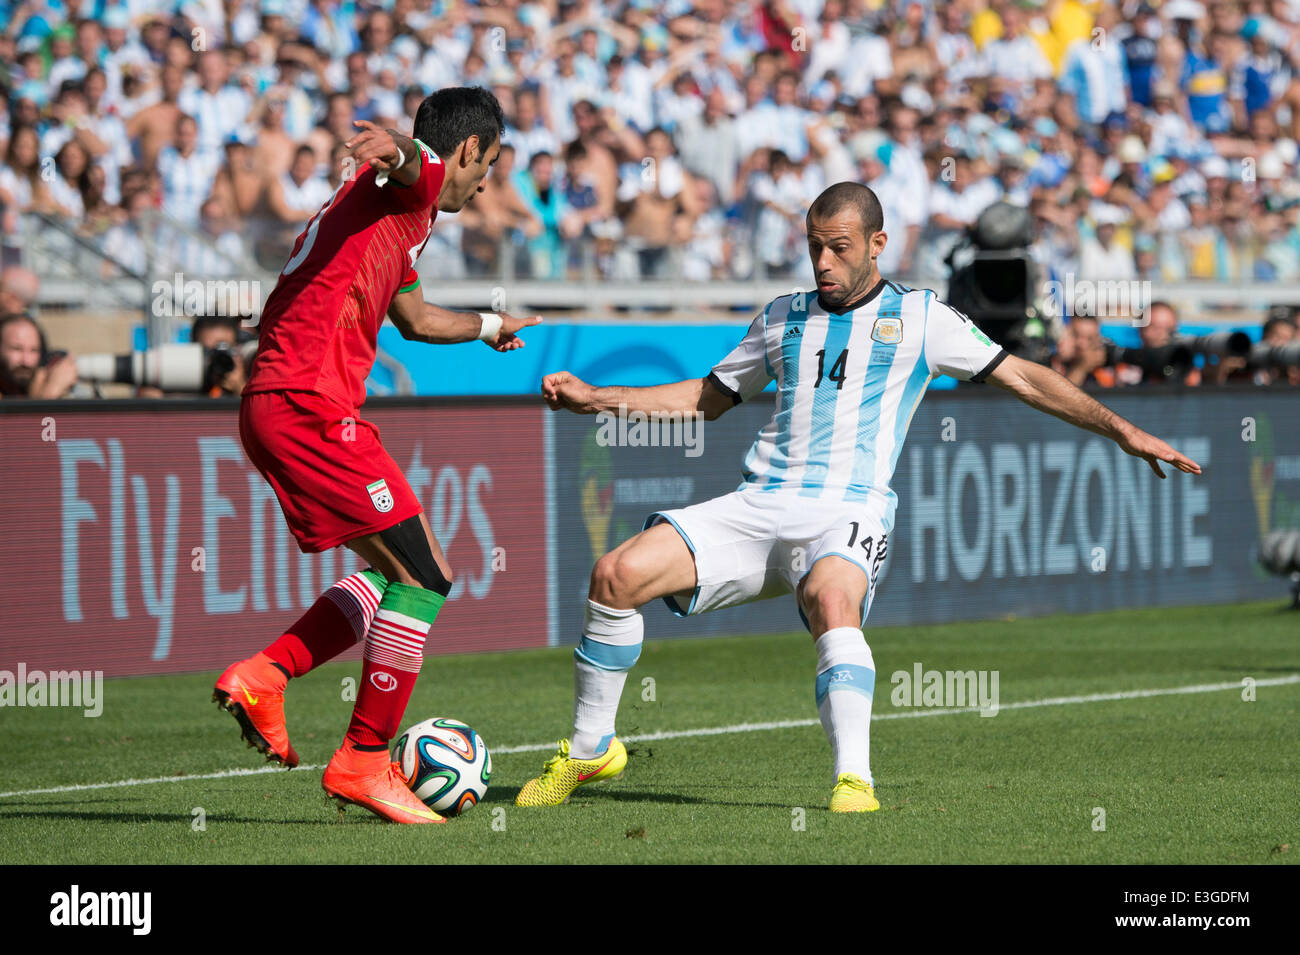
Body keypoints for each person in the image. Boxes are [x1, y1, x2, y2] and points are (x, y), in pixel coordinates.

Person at [520, 181, 1201, 813]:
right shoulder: (782, 316)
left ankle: (854, 778)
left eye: (839, 247)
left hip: (849, 508)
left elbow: (1022, 376)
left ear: (877, 243)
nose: (823, 261)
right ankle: (589, 751)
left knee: (831, 600)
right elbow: (706, 399)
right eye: (814, 245)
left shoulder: (920, 317)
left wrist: (1121, 429)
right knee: (615, 575)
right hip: (763, 501)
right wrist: (599, 398)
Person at [212, 87, 540, 825]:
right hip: (308, 405)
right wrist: (391, 146)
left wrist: (490, 323)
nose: (485, 182)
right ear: (466, 152)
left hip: (285, 403)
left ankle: (266, 674)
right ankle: (362, 758)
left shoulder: (396, 222)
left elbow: (418, 320)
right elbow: (407, 159)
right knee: (426, 575)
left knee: (396, 574)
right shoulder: (411, 181)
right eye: (485, 165)